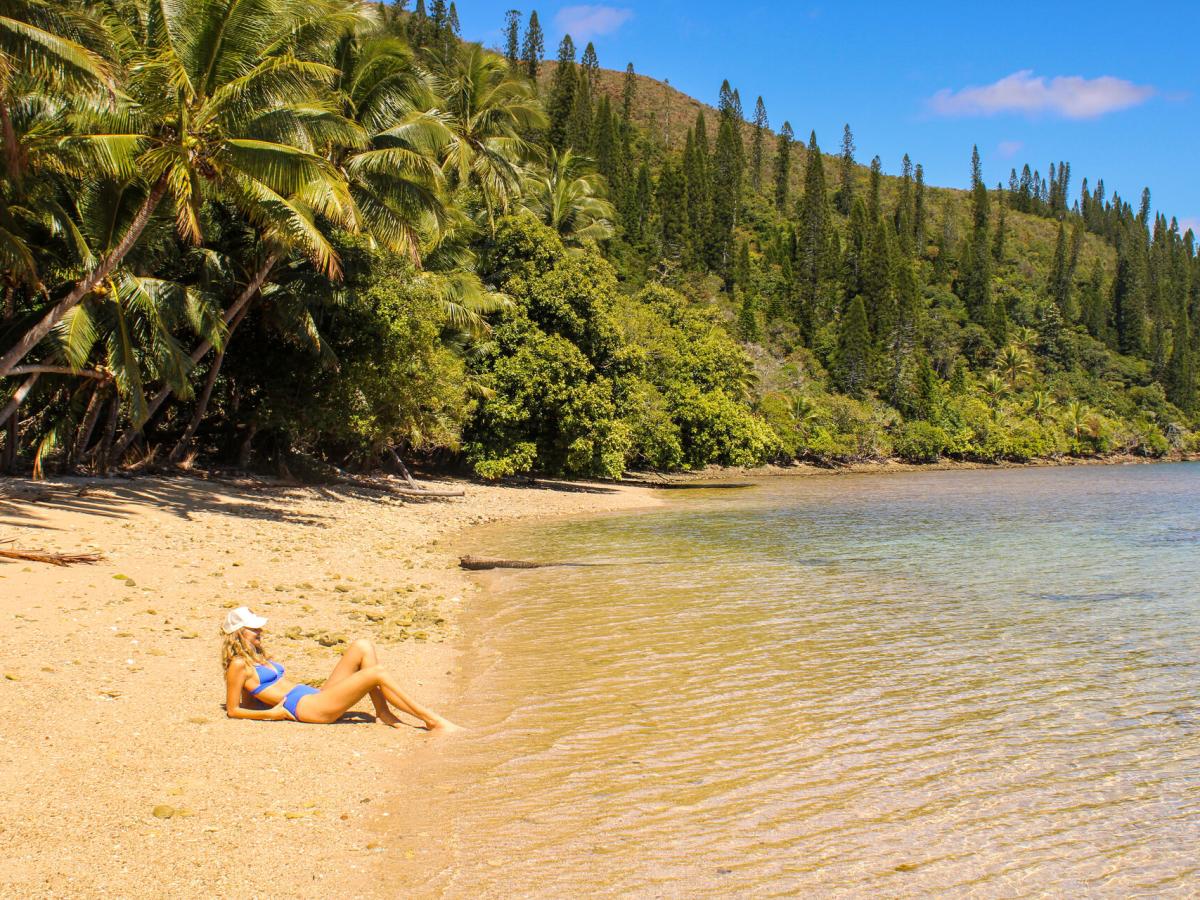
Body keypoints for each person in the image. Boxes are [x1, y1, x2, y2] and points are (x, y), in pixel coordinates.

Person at [220, 606, 460, 732]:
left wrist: (262, 703)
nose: (260, 631)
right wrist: (271, 714)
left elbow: (250, 699)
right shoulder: (238, 665)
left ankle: (383, 712)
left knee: (362, 646)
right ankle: (431, 720)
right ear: (238, 633)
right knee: (376, 674)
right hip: (307, 709)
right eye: (254, 629)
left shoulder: (256, 656)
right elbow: (234, 709)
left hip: (312, 697)